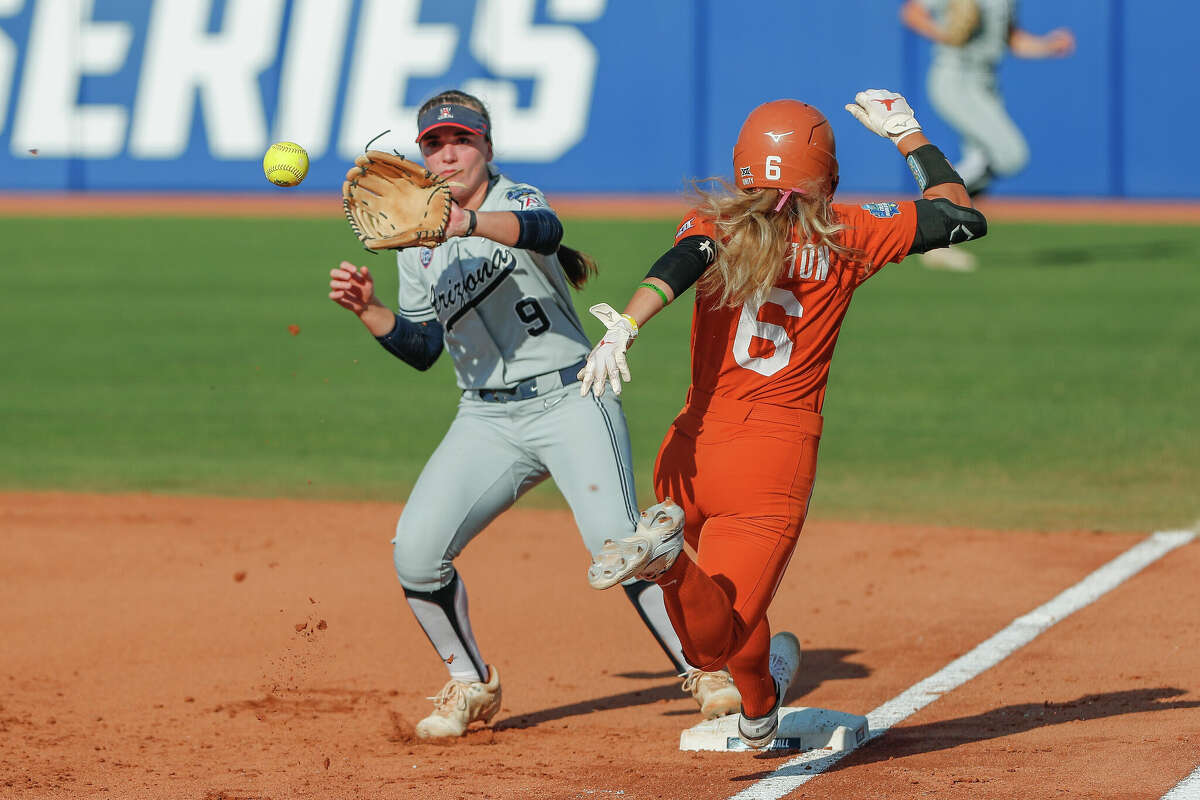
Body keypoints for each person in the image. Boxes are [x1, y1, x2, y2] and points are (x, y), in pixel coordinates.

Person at [577, 89, 987, 748]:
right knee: (713, 645)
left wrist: (627, 322)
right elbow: (963, 218)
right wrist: (907, 135)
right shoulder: (853, 229)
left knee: (738, 612)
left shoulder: (714, 222)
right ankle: (666, 566)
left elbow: (680, 266)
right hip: (769, 463)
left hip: (690, 448)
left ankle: (759, 708)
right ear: (824, 173)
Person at [328, 90, 742, 739]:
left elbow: (545, 232)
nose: (448, 153)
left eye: (460, 139)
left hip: (570, 397)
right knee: (416, 553)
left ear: (487, 147)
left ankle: (710, 668)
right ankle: (471, 684)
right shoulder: (413, 245)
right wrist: (368, 310)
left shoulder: (514, 198)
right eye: (434, 144)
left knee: (620, 542)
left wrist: (462, 224)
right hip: (486, 420)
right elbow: (422, 348)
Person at [900, 0, 1073, 271]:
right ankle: (929, 217)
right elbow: (911, 12)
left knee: (980, 161)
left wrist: (1047, 46)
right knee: (1010, 155)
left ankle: (938, 236)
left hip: (986, 83)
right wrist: (944, 34)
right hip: (955, 78)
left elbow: (1012, 39)